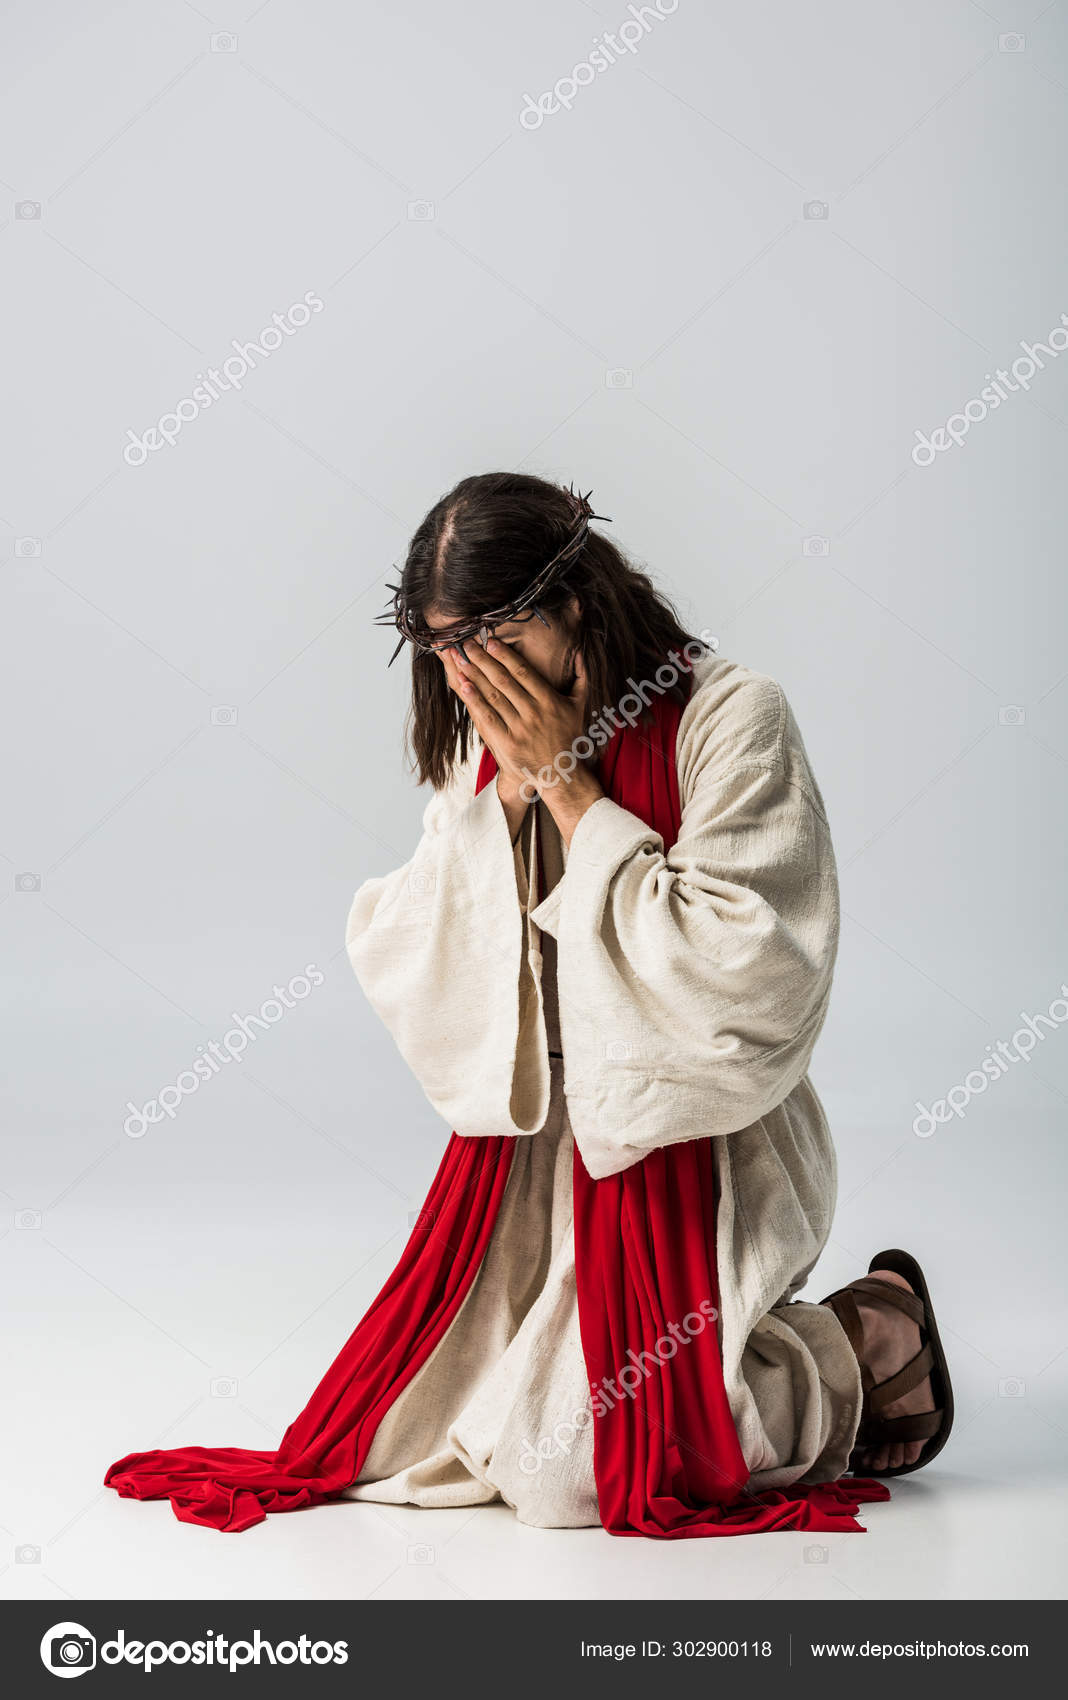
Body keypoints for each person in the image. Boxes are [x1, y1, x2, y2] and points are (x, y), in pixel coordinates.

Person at [102, 472, 951, 1536]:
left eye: (496, 641)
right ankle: (637, 1358)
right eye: (446, 651)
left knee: (574, 1470)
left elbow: (753, 969)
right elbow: (411, 937)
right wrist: (508, 798)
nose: (471, 678)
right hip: (533, 1155)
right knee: (410, 1426)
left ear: (576, 607)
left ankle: (870, 1338)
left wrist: (573, 793)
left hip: (690, 1144)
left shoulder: (734, 717)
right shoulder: (485, 746)